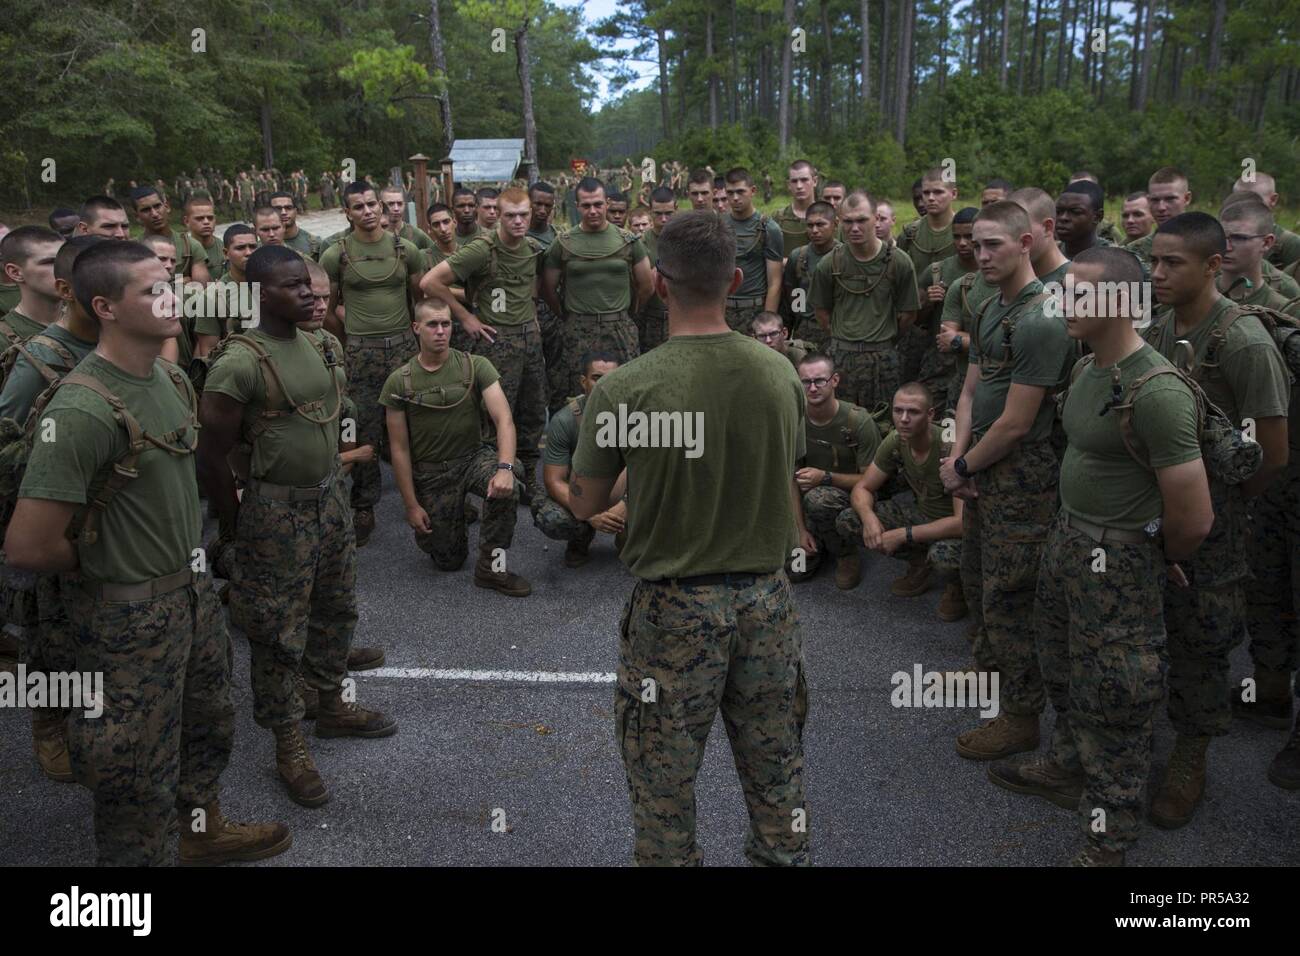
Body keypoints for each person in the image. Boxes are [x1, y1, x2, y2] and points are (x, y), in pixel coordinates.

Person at [4, 240, 291, 865]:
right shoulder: (82, 406)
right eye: (151, 290)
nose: (172, 298)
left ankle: (199, 829)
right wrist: (107, 564)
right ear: (103, 306)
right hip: (124, 618)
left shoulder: (166, 376)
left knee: (207, 725)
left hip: (188, 596)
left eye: (171, 284)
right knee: (132, 773)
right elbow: (28, 545)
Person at [569, 209, 810, 866]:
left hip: (675, 611)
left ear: (658, 285)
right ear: (735, 280)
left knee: (663, 789)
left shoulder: (624, 389)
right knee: (777, 777)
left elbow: (586, 501)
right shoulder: (780, 373)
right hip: (767, 602)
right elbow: (779, 466)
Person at [992, 246, 1213, 867]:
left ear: (1118, 301)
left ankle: (1108, 838)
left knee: (1115, 697)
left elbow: (1194, 518)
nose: (1061, 301)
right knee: (1062, 667)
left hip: (1118, 560)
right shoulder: (1087, 368)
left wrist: (1148, 553)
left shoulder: (1158, 391)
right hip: (1070, 544)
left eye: (1077, 293)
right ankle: (1067, 768)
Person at [197, 246, 397, 809]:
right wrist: (236, 528)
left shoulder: (321, 345)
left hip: (328, 500)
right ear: (261, 294)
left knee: (336, 608)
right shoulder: (239, 362)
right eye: (296, 288)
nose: (311, 295)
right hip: (273, 512)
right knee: (276, 632)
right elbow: (210, 455)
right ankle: (288, 742)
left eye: (311, 287)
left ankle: (329, 704)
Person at [1140, 212, 1292, 827]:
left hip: (1220, 524)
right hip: (1158, 510)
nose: (1156, 273)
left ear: (1212, 265)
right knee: (1157, 623)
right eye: (1153, 261)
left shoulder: (1244, 343)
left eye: (1171, 263)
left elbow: (1272, 456)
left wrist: (1224, 509)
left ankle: (1192, 752)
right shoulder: (1158, 329)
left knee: (1203, 641)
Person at [939, 200, 1078, 761]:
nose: (981, 253)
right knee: (978, 581)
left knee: (1011, 594)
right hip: (979, 465)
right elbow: (971, 392)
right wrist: (958, 456)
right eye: (976, 243)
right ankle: (988, 678)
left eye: (994, 244)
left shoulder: (1043, 316)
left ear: (1026, 243)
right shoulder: (987, 302)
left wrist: (965, 466)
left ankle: (1021, 716)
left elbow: (1019, 423)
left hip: (1022, 476)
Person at [0, 236, 100, 782]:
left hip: (108, 525)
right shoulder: (41, 358)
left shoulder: (121, 342)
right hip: (59, 524)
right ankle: (50, 724)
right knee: (52, 637)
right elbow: (5, 443)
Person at [381, 300, 531, 596]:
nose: (440, 331)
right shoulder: (399, 381)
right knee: (448, 560)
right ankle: (454, 514)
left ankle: (492, 568)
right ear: (416, 328)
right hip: (432, 473)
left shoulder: (475, 365)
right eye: (432, 325)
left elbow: (504, 420)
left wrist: (504, 468)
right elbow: (398, 450)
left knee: (509, 485)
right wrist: (411, 505)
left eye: (446, 324)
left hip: (473, 459)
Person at [319, 181, 428, 544]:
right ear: (347, 213)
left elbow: (419, 300)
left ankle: (428, 494)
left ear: (381, 208)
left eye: (371, 205)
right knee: (362, 426)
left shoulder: (407, 249)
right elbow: (327, 307)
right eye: (358, 206)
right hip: (361, 352)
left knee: (415, 421)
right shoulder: (336, 254)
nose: (367, 211)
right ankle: (364, 505)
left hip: (402, 347)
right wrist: (351, 336)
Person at [422, 187, 547, 501]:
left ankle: (528, 478)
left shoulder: (532, 247)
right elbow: (430, 282)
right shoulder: (482, 249)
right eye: (510, 215)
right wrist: (466, 317)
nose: (518, 221)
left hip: (529, 339)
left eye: (524, 215)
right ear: (497, 216)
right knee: (493, 415)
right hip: (496, 340)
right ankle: (494, 479)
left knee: (532, 412)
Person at [839, 381, 965, 618]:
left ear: (930, 415)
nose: (904, 418)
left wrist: (903, 534)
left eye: (913, 412)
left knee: (943, 556)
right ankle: (919, 563)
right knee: (850, 519)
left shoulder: (950, 447)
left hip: (957, 531)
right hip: (923, 517)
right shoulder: (897, 440)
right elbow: (863, 487)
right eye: (898, 411)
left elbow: (961, 523)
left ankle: (957, 587)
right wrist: (869, 519)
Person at [541, 177, 651, 410]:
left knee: (626, 388)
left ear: (607, 203)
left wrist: (629, 313)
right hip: (578, 327)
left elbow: (646, 285)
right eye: (586, 205)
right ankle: (580, 444)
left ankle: (623, 443)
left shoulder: (627, 241)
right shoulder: (564, 243)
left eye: (598, 204)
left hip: (619, 326)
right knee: (578, 393)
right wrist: (566, 316)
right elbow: (548, 289)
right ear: (577, 206)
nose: (593, 210)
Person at [810, 191, 919, 411]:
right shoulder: (829, 264)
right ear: (840, 222)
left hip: (883, 360)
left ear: (876, 219)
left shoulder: (899, 262)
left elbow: (908, 314)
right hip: (841, 357)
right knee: (842, 422)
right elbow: (822, 312)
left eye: (862, 220)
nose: (855, 228)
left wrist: (884, 340)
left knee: (884, 423)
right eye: (848, 222)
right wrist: (842, 338)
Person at [788, 353, 881, 588]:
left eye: (820, 380)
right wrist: (799, 531)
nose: (812, 388)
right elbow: (791, 478)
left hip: (851, 497)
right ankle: (812, 536)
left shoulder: (858, 422)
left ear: (835, 381)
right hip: (807, 493)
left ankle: (845, 553)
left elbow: (872, 482)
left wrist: (825, 477)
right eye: (805, 382)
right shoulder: (794, 419)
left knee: (819, 500)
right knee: (794, 572)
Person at [531, 351, 626, 567]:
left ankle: (629, 536)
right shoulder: (565, 421)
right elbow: (554, 481)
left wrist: (626, 507)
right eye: (597, 378)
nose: (605, 385)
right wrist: (591, 514)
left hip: (624, 495)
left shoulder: (636, 416)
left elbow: (650, 472)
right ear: (583, 382)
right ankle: (579, 539)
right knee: (553, 517)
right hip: (583, 492)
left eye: (613, 378)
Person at [899, 169, 959, 383]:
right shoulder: (910, 233)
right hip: (916, 324)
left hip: (953, 323)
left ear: (954, 194)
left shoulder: (965, 231)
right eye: (926, 193)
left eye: (938, 192)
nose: (931, 198)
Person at [936, 208, 997, 412]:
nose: (963, 243)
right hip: (962, 381)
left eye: (969, 237)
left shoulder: (1019, 290)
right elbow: (946, 340)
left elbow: (1012, 348)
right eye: (957, 237)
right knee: (953, 439)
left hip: (1001, 386)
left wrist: (961, 340)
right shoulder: (961, 286)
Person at [722, 168, 784, 333]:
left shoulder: (769, 229)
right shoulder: (718, 226)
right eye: (730, 193)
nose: (735, 198)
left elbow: (775, 282)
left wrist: (767, 323)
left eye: (740, 192)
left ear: (753, 191)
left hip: (754, 309)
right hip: (722, 309)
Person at [782, 200, 837, 349]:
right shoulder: (798, 256)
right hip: (805, 331)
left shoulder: (845, 256)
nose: (814, 230)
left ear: (834, 224)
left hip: (836, 331)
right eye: (810, 225)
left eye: (820, 224)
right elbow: (792, 299)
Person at [130, 186, 212, 284]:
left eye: (157, 206)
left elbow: (202, 290)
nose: (155, 214)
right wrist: (180, 283)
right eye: (146, 210)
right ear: (137, 217)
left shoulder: (190, 246)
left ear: (167, 207)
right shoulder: (131, 250)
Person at [1126, 167, 1192, 274]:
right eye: (1155, 200)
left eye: (1170, 199)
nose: (1161, 207)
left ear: (1187, 198)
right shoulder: (1133, 252)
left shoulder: (1208, 244)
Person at [636, 186, 677, 352]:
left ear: (676, 209)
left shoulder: (688, 238)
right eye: (658, 214)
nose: (664, 219)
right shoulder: (640, 243)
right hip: (652, 316)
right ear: (649, 211)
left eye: (669, 213)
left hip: (682, 315)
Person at [1232, 170, 1300, 270]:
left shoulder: (1290, 245)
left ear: (1273, 200)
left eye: (1253, 201)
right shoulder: (1222, 237)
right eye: (1238, 200)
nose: (1243, 207)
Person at [1010, 187, 1072, 288]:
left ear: (1047, 227)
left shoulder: (1077, 282)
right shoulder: (1005, 279)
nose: (1009, 236)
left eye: (1018, 227)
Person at [1055, 181, 1111, 258]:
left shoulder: (1113, 258)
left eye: (1075, 212)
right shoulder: (1047, 254)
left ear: (1097, 216)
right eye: (1058, 212)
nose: (1063, 217)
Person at [774, 160, 819, 256]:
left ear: (814, 181)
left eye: (804, 180)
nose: (799, 186)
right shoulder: (778, 218)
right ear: (789, 185)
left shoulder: (828, 217)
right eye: (794, 181)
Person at [380, 186, 436, 257]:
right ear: (380, 205)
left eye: (400, 204)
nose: (396, 208)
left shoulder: (416, 234)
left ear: (404, 204)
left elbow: (437, 254)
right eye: (391, 204)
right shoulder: (373, 234)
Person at [272, 191, 321, 260]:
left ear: (296, 211)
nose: (283, 212)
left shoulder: (315, 245)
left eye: (288, 208)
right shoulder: (260, 247)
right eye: (278, 209)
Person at [183, 195, 225, 275]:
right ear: (187, 221)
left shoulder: (224, 249)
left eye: (210, 218)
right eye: (200, 218)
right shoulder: (182, 251)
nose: (206, 222)